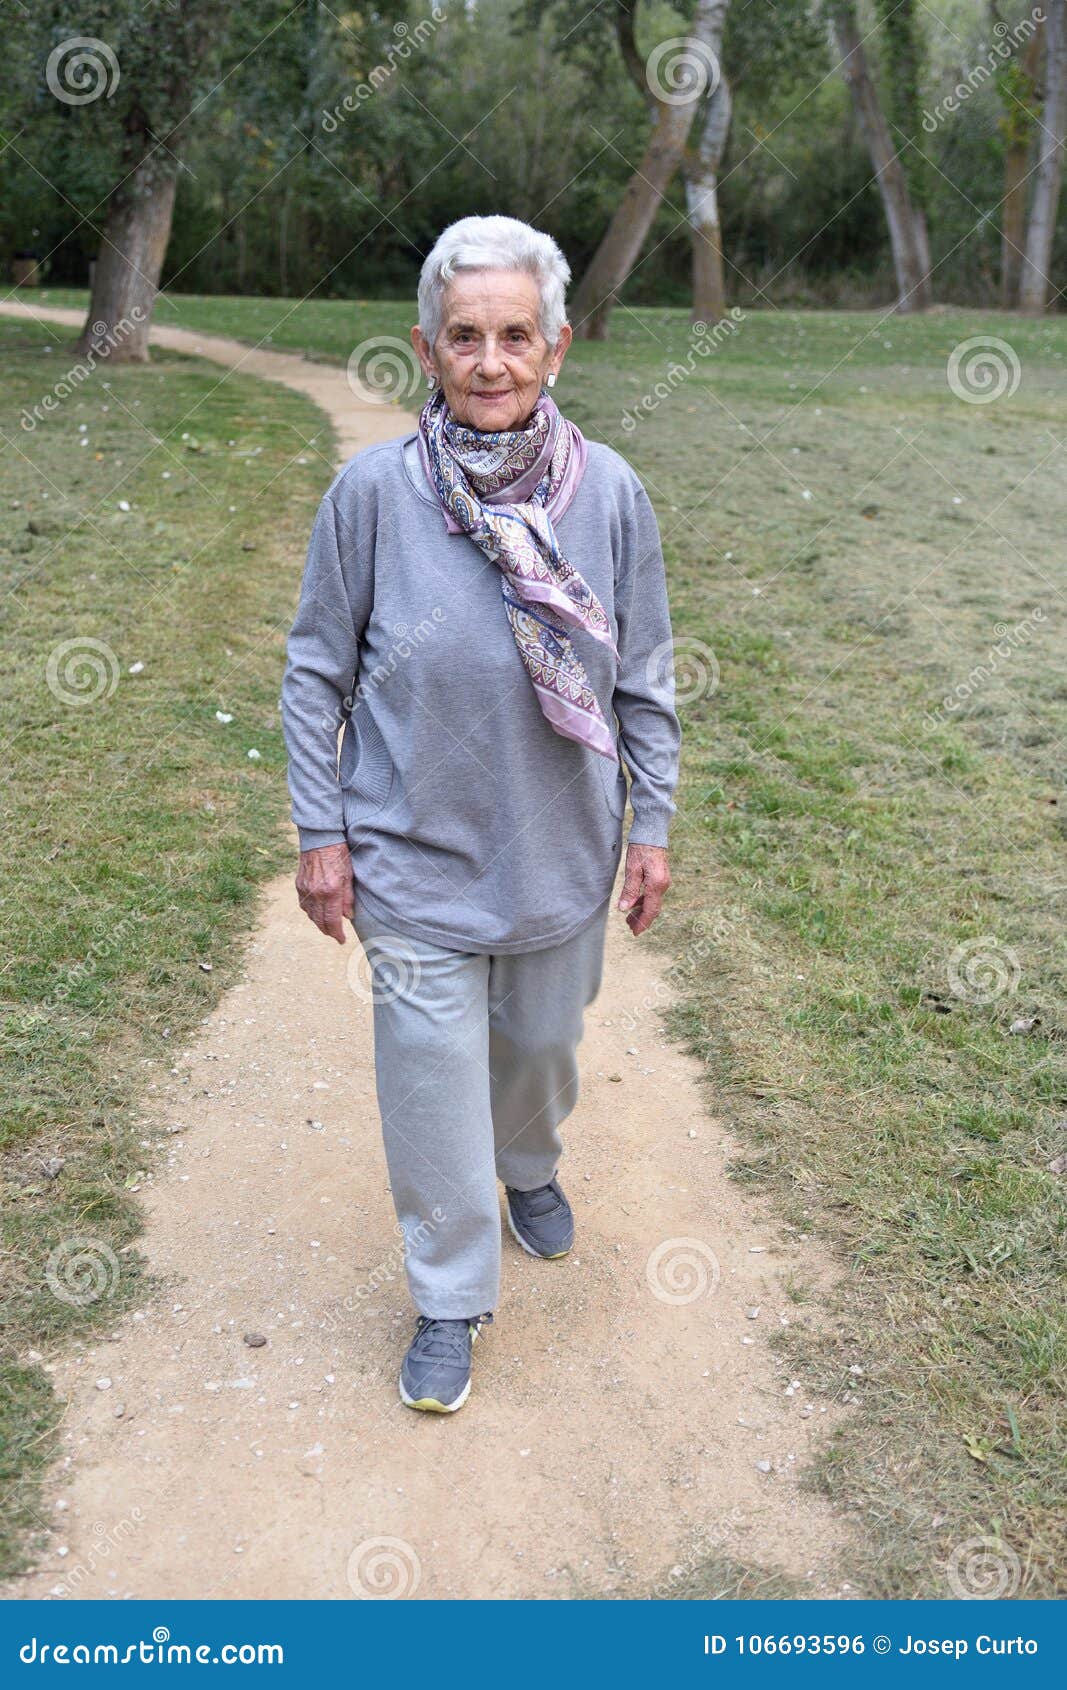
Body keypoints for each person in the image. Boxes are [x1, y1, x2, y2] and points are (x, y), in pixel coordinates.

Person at [280, 214, 681, 1413]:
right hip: (409, 854)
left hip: (560, 849)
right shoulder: (373, 495)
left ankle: (528, 1160)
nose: (490, 362)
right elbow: (314, 672)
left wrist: (651, 823)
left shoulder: (610, 495)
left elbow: (645, 675)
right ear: (426, 348)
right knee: (427, 1076)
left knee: (539, 1050)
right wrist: (320, 833)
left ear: (555, 347)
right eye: (465, 336)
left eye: (515, 335)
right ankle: (448, 1295)